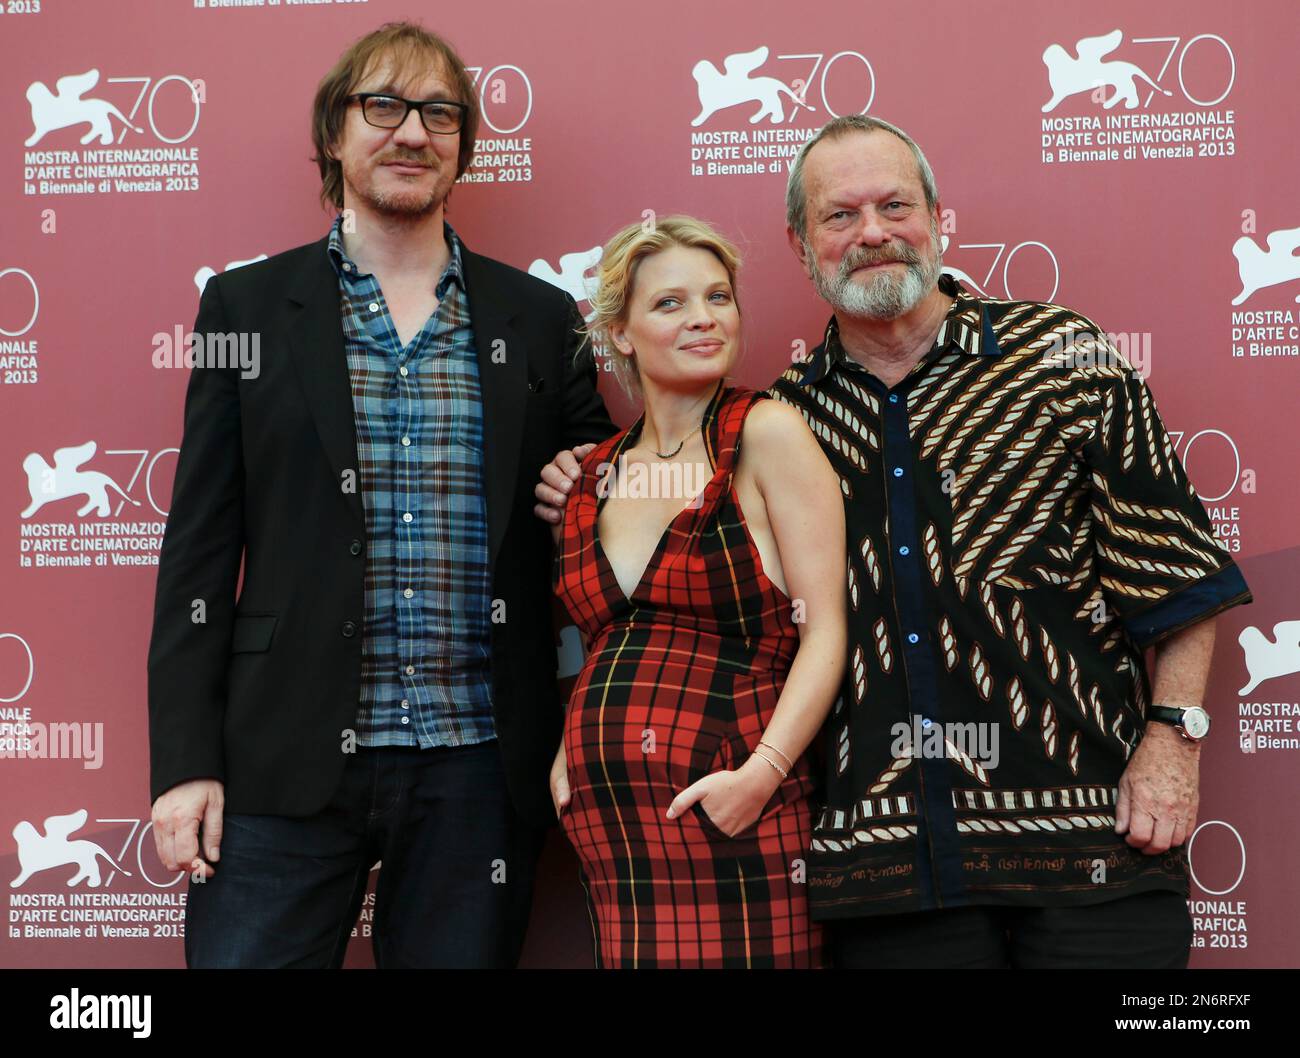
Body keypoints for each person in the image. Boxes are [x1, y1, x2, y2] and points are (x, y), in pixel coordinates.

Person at [536, 117, 1252, 969]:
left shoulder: (1067, 358)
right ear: (803, 247)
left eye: (894, 205)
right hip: (887, 872)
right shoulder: (782, 419)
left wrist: (1174, 739)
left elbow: (1176, 571)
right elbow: (678, 548)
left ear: (940, 218)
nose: (871, 233)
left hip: (1090, 848)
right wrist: (583, 475)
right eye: (839, 217)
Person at [146, 21, 615, 968]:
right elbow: (198, 546)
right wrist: (186, 764)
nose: (412, 132)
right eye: (384, 106)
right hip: (281, 757)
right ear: (335, 134)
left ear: (462, 146)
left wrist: (592, 477)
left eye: (439, 113)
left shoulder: (536, 316)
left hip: (478, 764)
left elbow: (610, 502)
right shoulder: (245, 309)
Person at [548, 216, 846, 967]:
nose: (704, 317)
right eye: (671, 303)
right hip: (614, 828)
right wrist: (564, 758)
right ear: (620, 332)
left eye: (718, 296)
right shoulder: (595, 472)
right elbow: (604, 646)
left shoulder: (768, 432)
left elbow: (827, 631)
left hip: (740, 815)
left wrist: (761, 776)